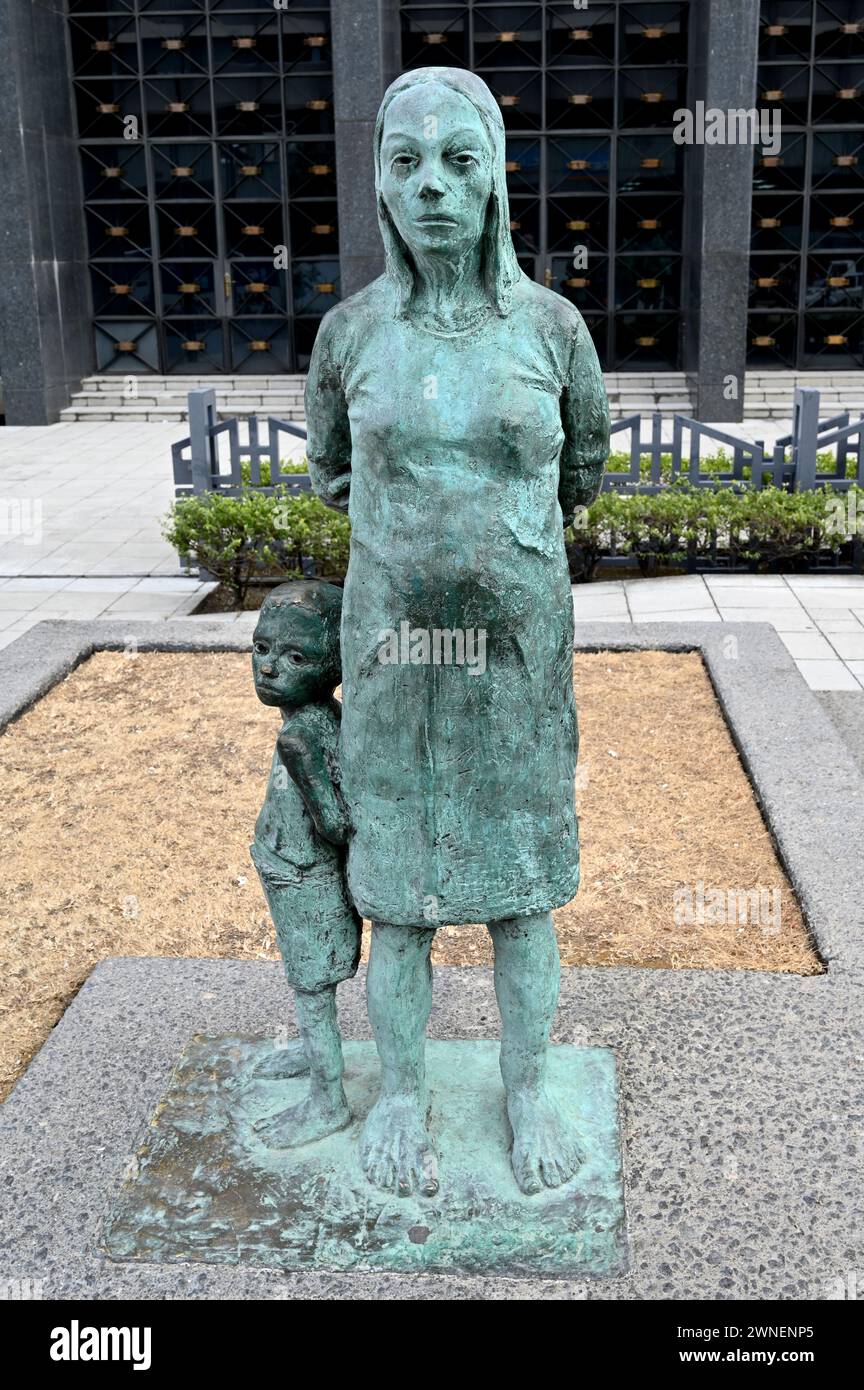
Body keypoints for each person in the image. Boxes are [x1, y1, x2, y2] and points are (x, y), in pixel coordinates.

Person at [305, 67, 609, 1196]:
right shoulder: (349, 336)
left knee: (522, 890)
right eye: (406, 161)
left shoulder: (552, 327)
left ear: (495, 185)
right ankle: (399, 1095)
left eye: (458, 160)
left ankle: (527, 1089)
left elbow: (583, 469)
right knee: (400, 896)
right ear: (381, 187)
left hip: (518, 665)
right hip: (391, 663)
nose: (432, 185)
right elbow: (336, 471)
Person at [249, 581, 361, 1148]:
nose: (269, 667)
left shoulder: (299, 738)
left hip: (303, 876)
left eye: (296, 657)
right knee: (309, 984)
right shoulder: (327, 718)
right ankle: (314, 1052)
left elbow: (335, 822)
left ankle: (328, 1100)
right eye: (263, 648)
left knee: (311, 987)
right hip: (289, 869)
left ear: (332, 664)